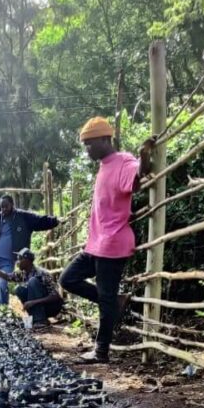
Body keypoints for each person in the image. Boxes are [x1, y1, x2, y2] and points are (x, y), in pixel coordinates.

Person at [60, 117, 153, 364]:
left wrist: (144, 156)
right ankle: (114, 301)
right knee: (67, 278)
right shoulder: (103, 166)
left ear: (105, 139)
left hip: (112, 243)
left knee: (106, 297)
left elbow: (137, 178)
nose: (87, 149)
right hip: (96, 244)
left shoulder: (123, 160)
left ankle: (101, 351)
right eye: (85, 145)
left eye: (90, 144)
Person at [0, 194, 59, 306]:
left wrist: (55, 221)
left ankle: (4, 307)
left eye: (6, 206)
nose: (3, 209)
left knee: (3, 285)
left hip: (8, 260)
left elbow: (39, 221)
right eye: (1, 207)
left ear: (12, 205)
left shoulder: (22, 217)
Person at [0, 248, 63, 329]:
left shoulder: (41, 274)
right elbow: (7, 277)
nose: (17, 262)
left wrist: (33, 302)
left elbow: (55, 296)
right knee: (19, 289)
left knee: (33, 281)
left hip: (52, 307)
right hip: (40, 307)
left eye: (20, 259)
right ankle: (37, 319)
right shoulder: (23, 274)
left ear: (27, 260)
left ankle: (40, 320)